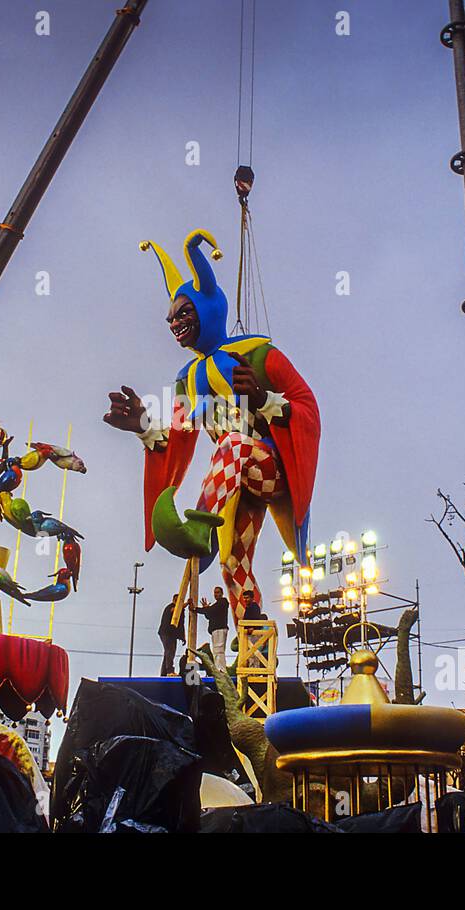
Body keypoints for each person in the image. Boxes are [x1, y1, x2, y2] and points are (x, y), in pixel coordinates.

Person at [104, 229, 320, 626]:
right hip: (234, 482)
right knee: (232, 562)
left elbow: (306, 406)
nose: (174, 323)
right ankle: (252, 641)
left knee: (234, 445)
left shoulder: (258, 355)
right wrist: (144, 427)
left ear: (207, 310)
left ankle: (197, 529)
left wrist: (264, 400)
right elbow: (178, 438)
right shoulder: (188, 379)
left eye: (183, 313)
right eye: (170, 317)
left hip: (268, 468)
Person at [197, 586, 230, 671]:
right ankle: (219, 668)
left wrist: (198, 609)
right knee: (216, 650)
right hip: (216, 630)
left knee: (219, 650)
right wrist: (206, 608)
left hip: (219, 629)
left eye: (218, 592)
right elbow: (209, 615)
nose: (216, 594)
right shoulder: (217, 605)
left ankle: (221, 669)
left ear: (222, 593)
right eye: (215, 592)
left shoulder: (223, 602)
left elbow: (211, 611)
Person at [158, 594, 185, 676]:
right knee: (170, 651)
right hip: (166, 633)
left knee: (168, 653)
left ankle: (164, 672)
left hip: (172, 634)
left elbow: (181, 624)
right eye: (176, 601)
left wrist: (183, 637)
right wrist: (186, 604)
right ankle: (169, 671)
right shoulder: (170, 607)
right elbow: (174, 610)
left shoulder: (181, 611)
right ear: (173, 600)